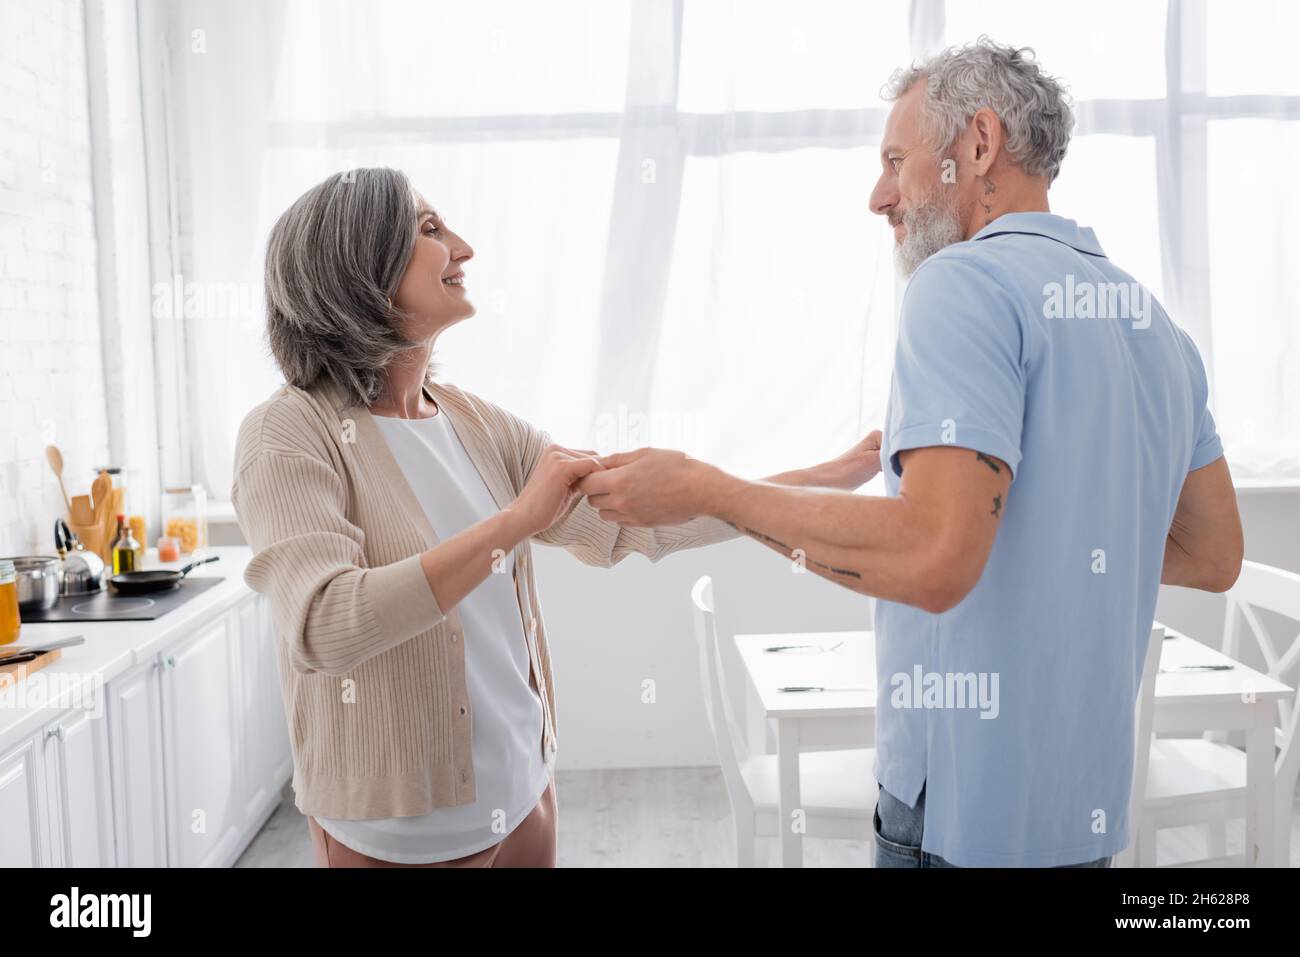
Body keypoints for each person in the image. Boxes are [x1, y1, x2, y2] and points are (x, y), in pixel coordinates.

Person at [576, 38, 1244, 867]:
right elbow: (1215, 554)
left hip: (963, 821)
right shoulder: (1156, 327)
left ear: (979, 144)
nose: (878, 195)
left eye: (896, 159)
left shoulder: (961, 284)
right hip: (1086, 815)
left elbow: (934, 559)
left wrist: (712, 489)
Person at [232, 167, 883, 867]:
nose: (463, 247)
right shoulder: (288, 433)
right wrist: (514, 522)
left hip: (525, 796)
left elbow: (638, 523)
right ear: (362, 268)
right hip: (404, 834)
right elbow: (324, 625)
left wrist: (828, 479)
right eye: (429, 230)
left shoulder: (472, 421)